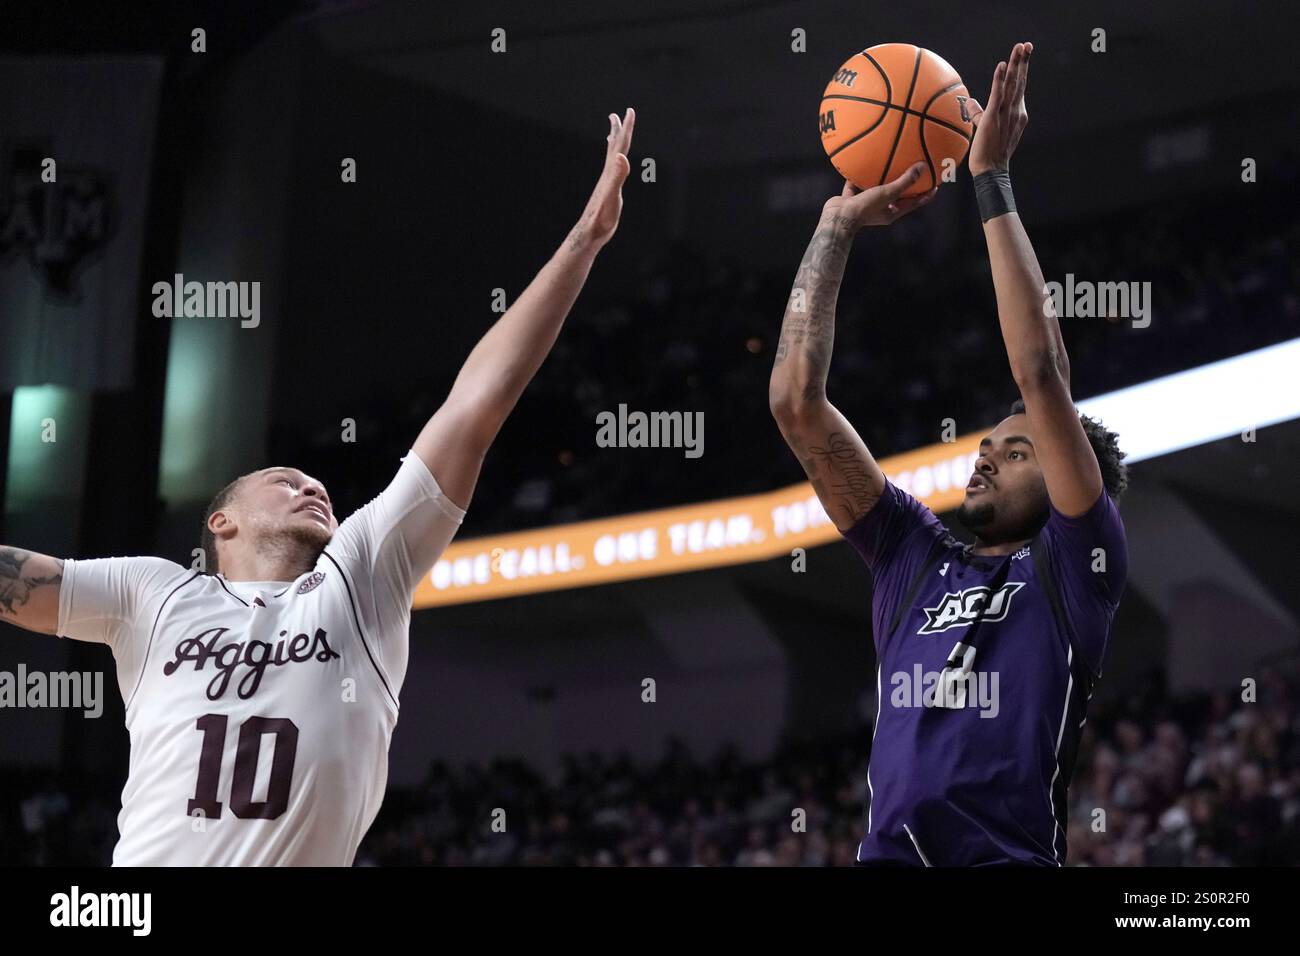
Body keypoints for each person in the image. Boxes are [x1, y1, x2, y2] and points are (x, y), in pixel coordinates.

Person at [0, 109, 637, 866]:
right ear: (221, 522)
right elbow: (21, 585)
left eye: (316, 483)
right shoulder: (157, 596)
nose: (312, 487)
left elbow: (475, 404)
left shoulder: (360, 577)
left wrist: (586, 240)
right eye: (284, 480)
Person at [770, 42, 1128, 866]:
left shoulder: (1078, 568)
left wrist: (991, 179)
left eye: (1018, 451)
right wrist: (833, 227)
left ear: (1078, 486)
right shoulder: (912, 558)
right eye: (989, 444)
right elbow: (795, 402)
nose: (987, 457)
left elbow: (1040, 372)